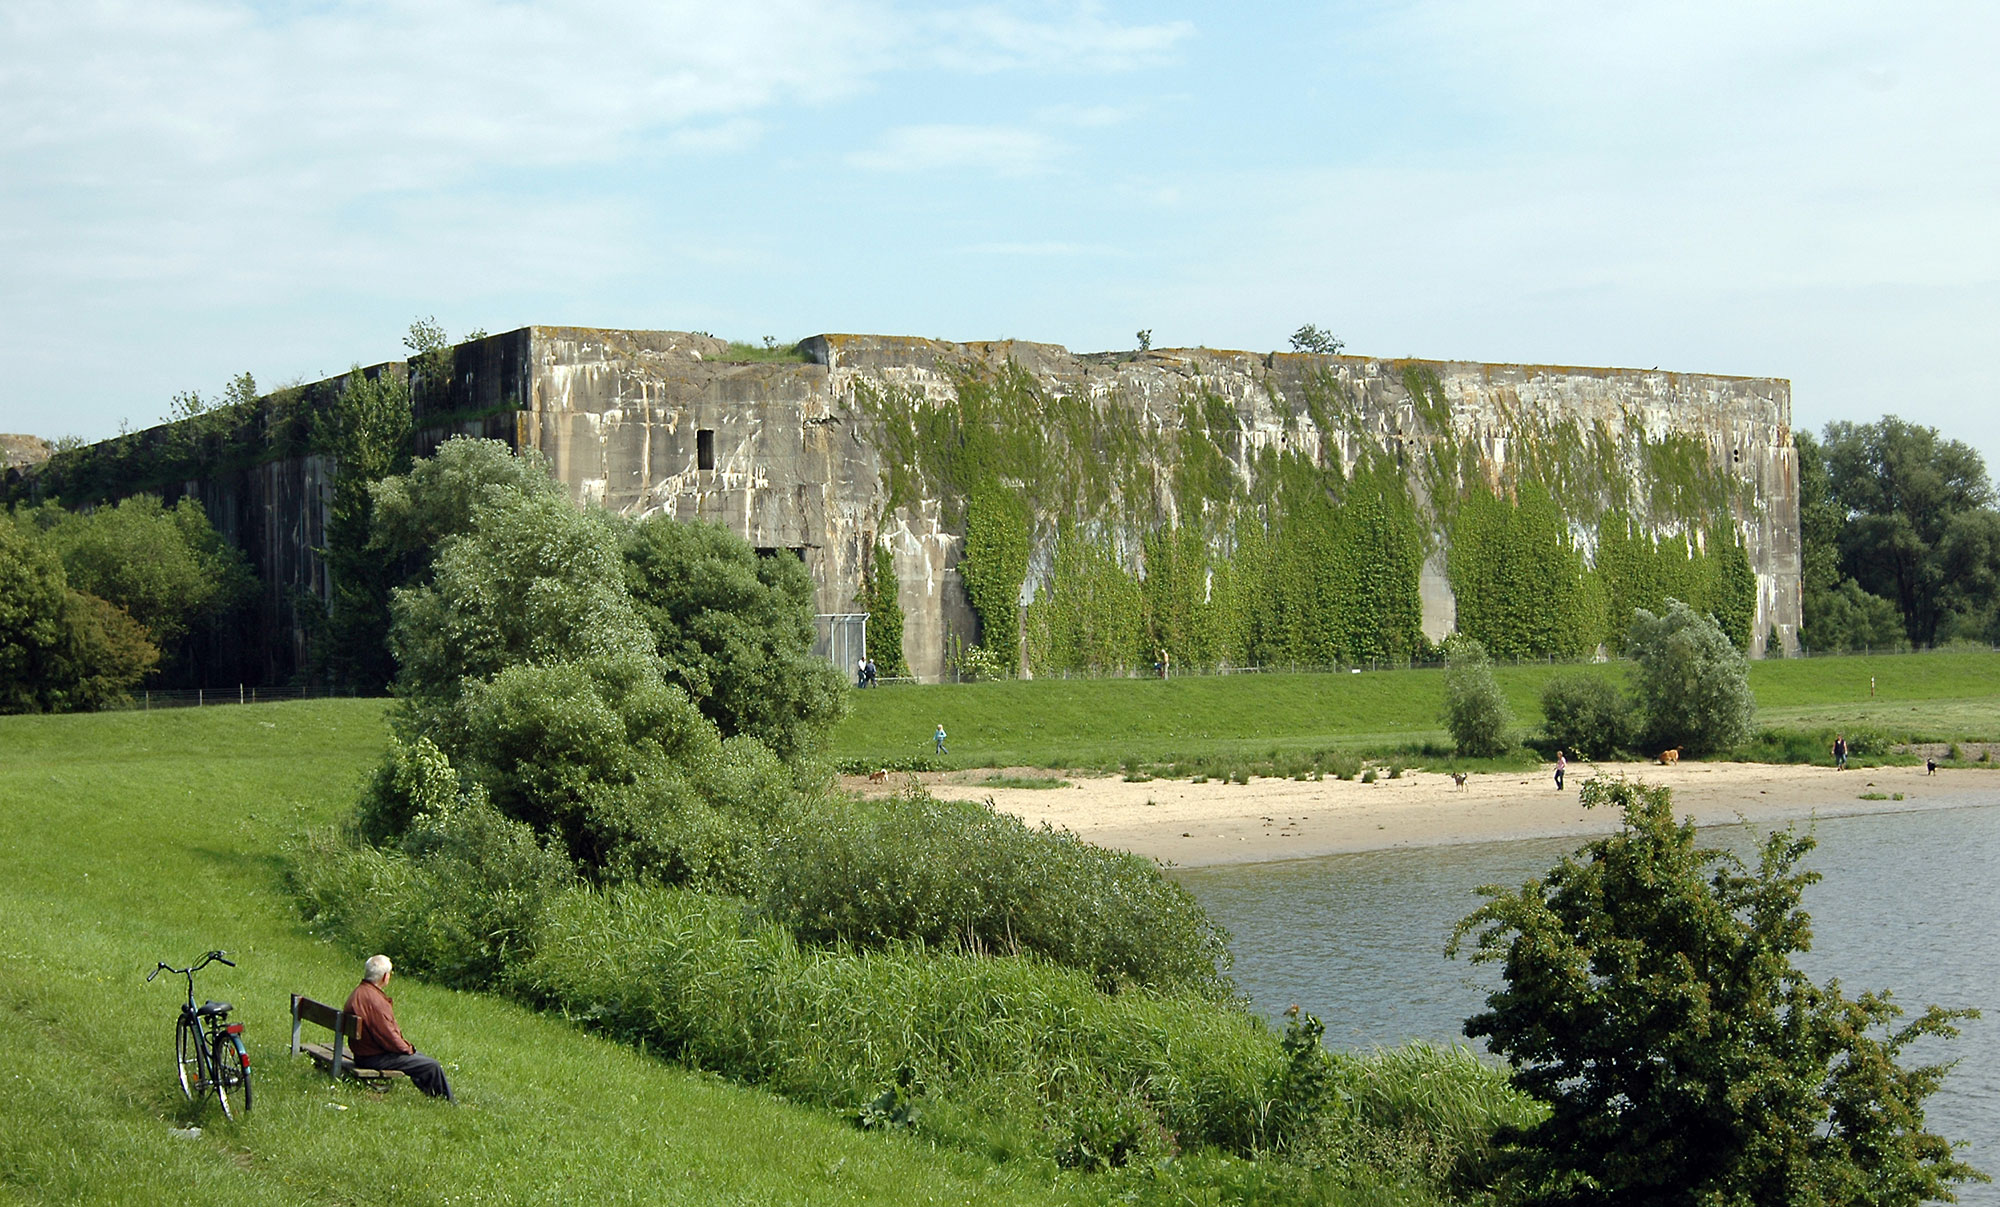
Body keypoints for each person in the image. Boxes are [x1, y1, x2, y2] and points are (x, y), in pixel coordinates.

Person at [344, 955, 456, 1102]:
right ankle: (446, 1102)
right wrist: (407, 1049)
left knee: (420, 1059)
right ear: (385, 977)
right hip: (373, 1058)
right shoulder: (375, 1001)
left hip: (363, 1053)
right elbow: (388, 1037)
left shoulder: (359, 992)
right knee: (431, 1065)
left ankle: (433, 1095)